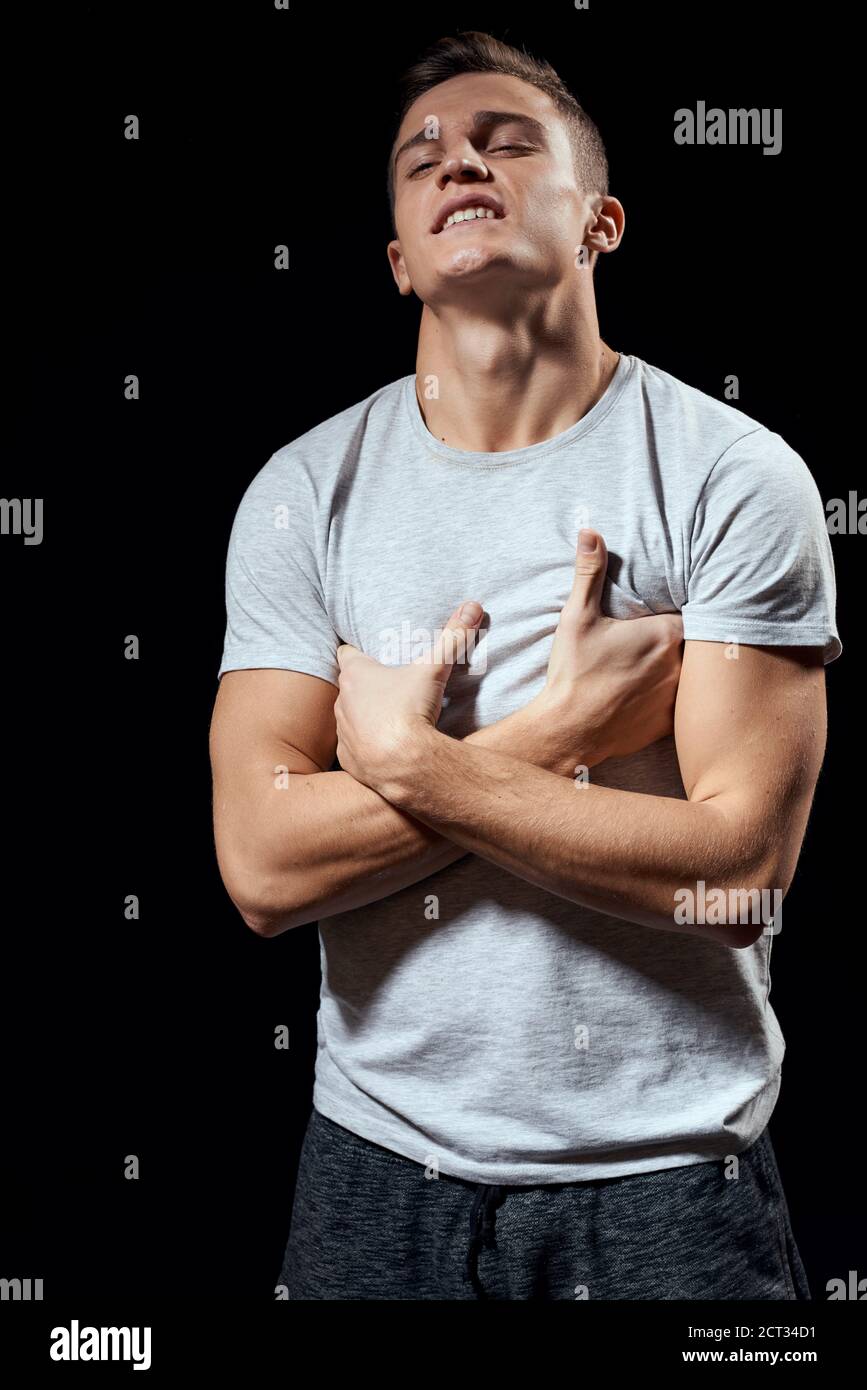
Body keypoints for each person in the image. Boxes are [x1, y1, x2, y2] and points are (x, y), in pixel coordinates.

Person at [209, 31, 840, 1300]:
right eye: (422, 157)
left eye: (507, 142)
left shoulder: (731, 476)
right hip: (372, 1164)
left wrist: (392, 759)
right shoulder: (302, 494)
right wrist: (551, 735)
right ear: (398, 260)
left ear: (601, 221)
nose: (460, 162)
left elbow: (741, 873)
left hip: (665, 1174)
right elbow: (264, 869)